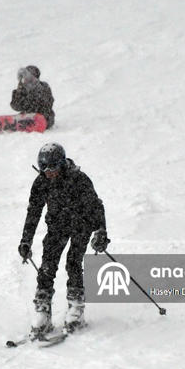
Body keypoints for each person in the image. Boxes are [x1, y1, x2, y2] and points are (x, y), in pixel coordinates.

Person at [18, 143, 110, 338]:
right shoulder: (41, 182)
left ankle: (76, 308)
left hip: (81, 223)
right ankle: (43, 311)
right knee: (47, 266)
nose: (49, 173)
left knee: (73, 263)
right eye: (44, 169)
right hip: (57, 225)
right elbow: (33, 212)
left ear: (61, 164)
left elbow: (96, 206)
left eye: (53, 168)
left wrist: (101, 231)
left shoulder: (79, 179)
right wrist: (26, 240)